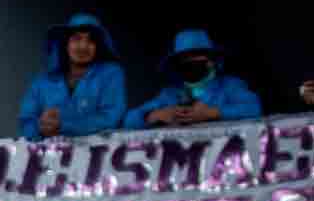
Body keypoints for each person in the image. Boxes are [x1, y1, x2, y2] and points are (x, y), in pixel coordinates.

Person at [124, 29, 262, 130]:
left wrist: (212, 113)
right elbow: (129, 120)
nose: (189, 62)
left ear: (211, 61)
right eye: (183, 60)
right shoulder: (169, 94)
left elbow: (253, 108)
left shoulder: (230, 86)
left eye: (194, 56)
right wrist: (155, 115)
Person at [18, 14, 126, 140]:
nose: (83, 46)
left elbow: (111, 118)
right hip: (54, 157)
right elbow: (26, 120)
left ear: (98, 47)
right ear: (65, 44)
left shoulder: (111, 74)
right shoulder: (43, 82)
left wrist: (63, 125)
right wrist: (40, 127)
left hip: (100, 155)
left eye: (91, 41)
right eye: (76, 38)